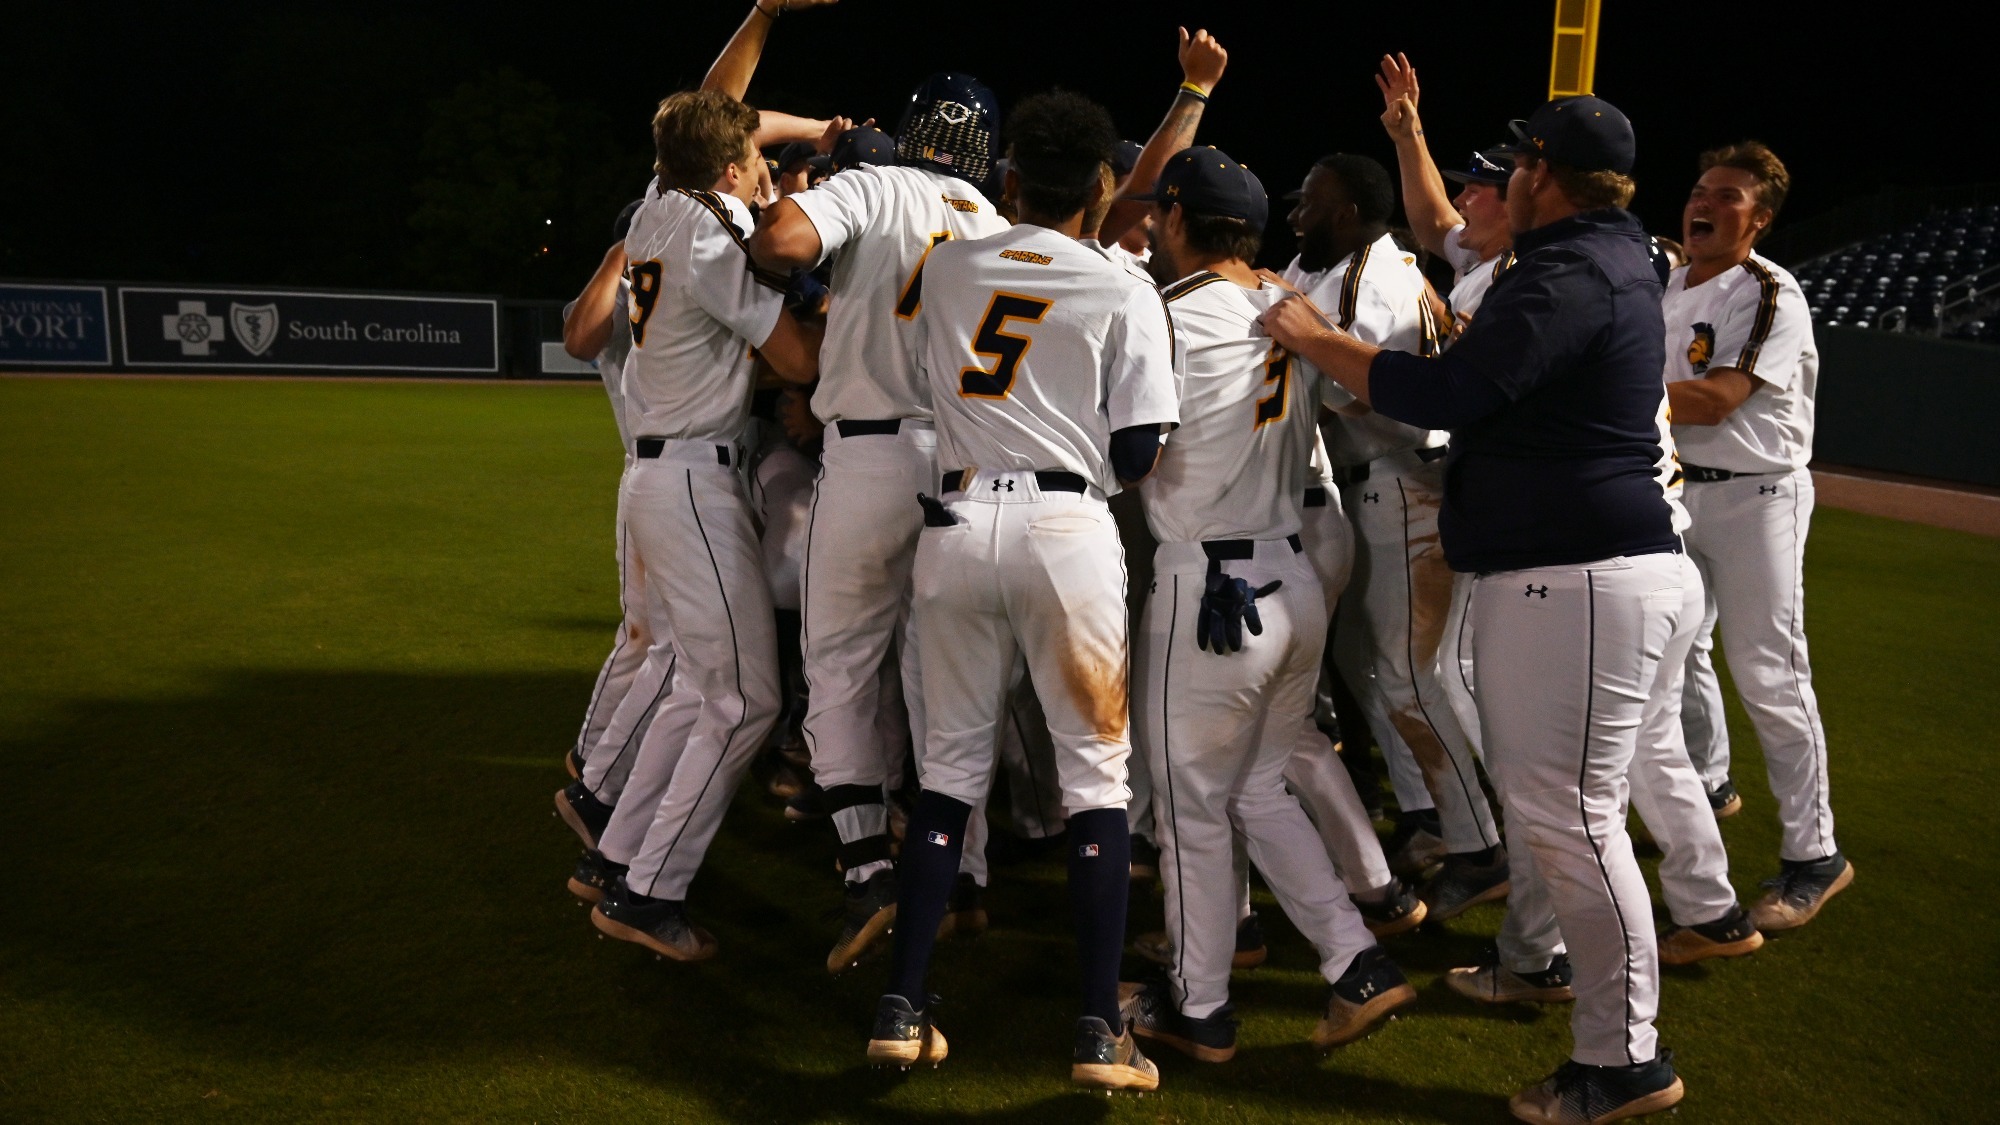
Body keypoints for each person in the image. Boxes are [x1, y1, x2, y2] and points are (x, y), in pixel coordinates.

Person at [1264, 95, 1687, 1124]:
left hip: (1581, 574)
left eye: (1517, 165)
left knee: (1576, 823)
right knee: (1559, 815)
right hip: (1572, 570)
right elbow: (1454, 257)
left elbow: (1447, 395)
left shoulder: (1574, 267)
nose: (1499, 182)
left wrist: (1316, 340)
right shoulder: (1593, 254)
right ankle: (1547, 973)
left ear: (1546, 174)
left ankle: (1622, 1061)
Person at [864, 90, 1178, 1092]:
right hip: (1063, 527)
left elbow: (920, 374)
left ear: (1007, 180)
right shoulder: (1120, 283)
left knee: (948, 771)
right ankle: (1096, 1030)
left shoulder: (948, 264)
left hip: (953, 524)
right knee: (1092, 776)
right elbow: (1136, 448)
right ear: (1097, 186)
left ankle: (901, 1007)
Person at [1118, 145, 1417, 1065]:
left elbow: (1130, 449)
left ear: (1172, 218)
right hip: (1293, 578)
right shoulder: (1293, 304)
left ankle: (1198, 1006)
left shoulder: (1166, 313)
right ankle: (1353, 959)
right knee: (1256, 782)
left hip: (1212, 588)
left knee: (1193, 805)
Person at [750, 71, 1012, 974]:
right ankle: (966, 875)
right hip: (967, 466)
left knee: (839, 666)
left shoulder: (879, 182)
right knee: (949, 682)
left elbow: (784, 238)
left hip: (869, 453)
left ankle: (867, 869)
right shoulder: (997, 220)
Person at [582, 85, 825, 962]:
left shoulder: (653, 211)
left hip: (660, 474)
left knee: (696, 686)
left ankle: (615, 853)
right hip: (692, 481)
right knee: (747, 698)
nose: (766, 170)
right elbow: (799, 358)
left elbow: (716, 122)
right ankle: (647, 894)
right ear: (730, 168)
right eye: (755, 157)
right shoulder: (718, 232)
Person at [1281, 152, 1508, 919]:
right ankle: (1425, 816)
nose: (1296, 213)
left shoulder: (1363, 280)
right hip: (1373, 483)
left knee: (1413, 675)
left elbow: (1346, 388)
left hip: (1405, 480)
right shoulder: (1339, 262)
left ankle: (1478, 843)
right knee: (1370, 666)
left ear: (1345, 213)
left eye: (1310, 200)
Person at [1664, 140, 1850, 931]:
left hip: (1755, 496)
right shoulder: (1671, 281)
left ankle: (1816, 854)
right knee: (1669, 656)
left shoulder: (1770, 291)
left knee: (1770, 673)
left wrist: (1599, 390)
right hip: (1678, 491)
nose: (1704, 202)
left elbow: (1714, 400)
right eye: (1701, 188)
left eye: (1728, 195)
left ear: (1761, 219)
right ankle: (1703, 798)